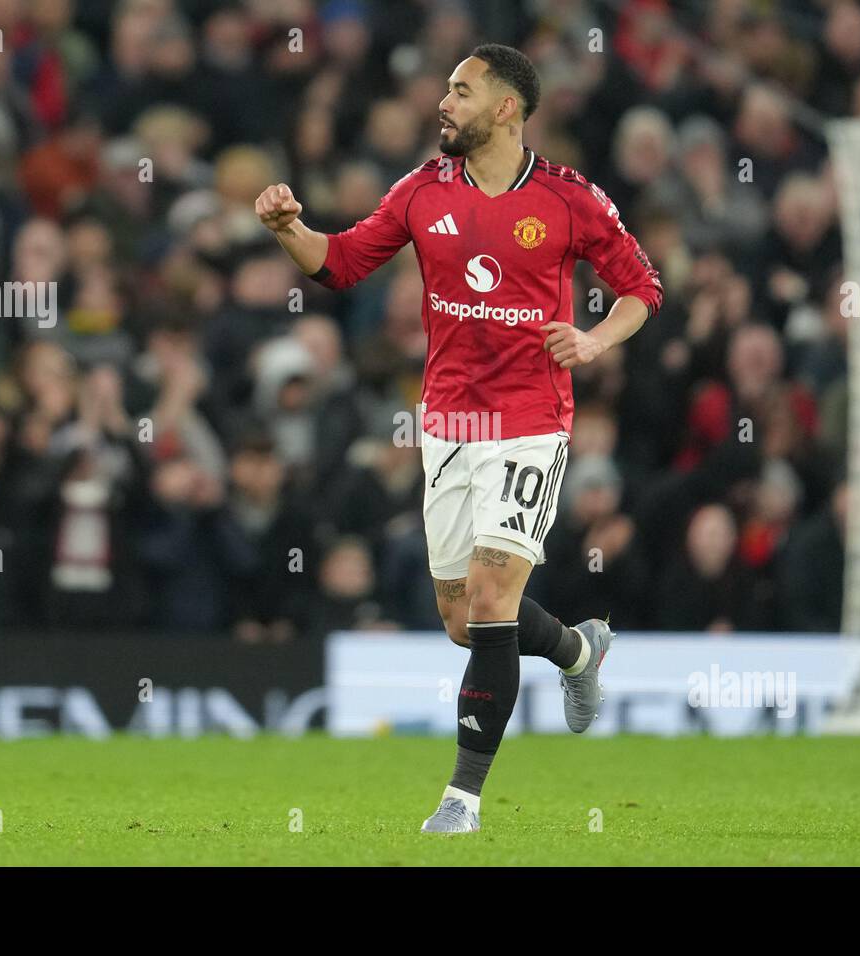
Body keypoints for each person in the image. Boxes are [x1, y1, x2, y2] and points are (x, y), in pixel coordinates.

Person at [256, 44, 663, 833]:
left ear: (506, 107)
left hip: (531, 421)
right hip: (449, 423)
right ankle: (580, 652)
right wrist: (288, 228)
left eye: (461, 91)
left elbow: (642, 286)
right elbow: (338, 265)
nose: (443, 103)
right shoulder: (420, 191)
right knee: (460, 619)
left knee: (489, 598)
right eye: (446, 90)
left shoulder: (571, 198)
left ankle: (462, 799)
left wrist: (595, 340)